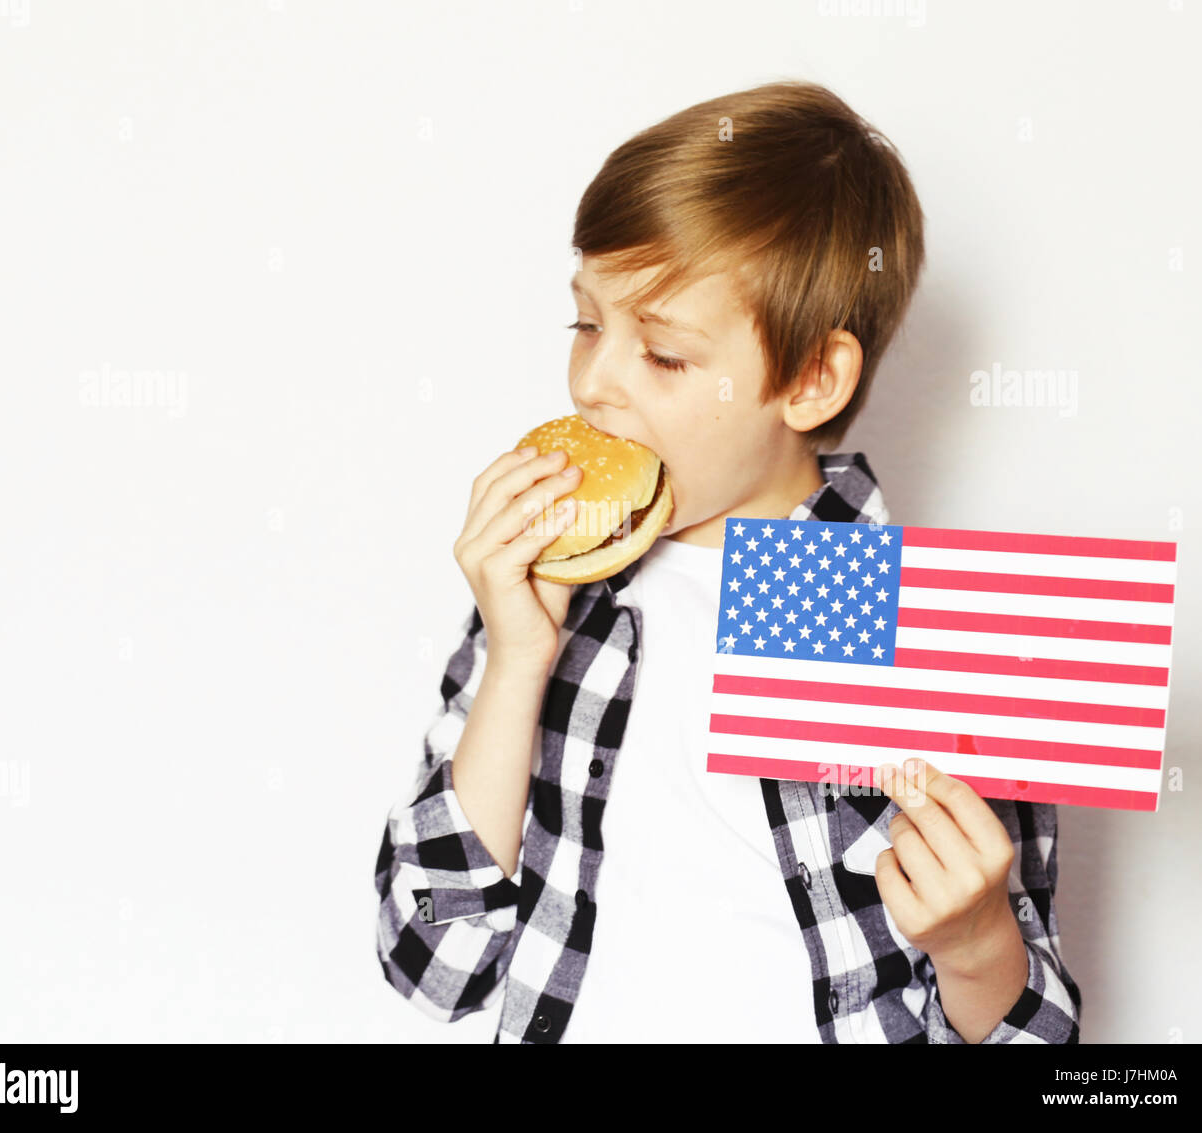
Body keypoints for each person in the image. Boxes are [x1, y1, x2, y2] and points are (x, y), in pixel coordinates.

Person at [373, 79, 1082, 1043]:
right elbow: (432, 963)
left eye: (662, 353)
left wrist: (974, 945)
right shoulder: (546, 591)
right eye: (586, 323)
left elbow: (1044, 1047)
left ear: (811, 378)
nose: (593, 382)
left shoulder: (935, 628)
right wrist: (515, 664)